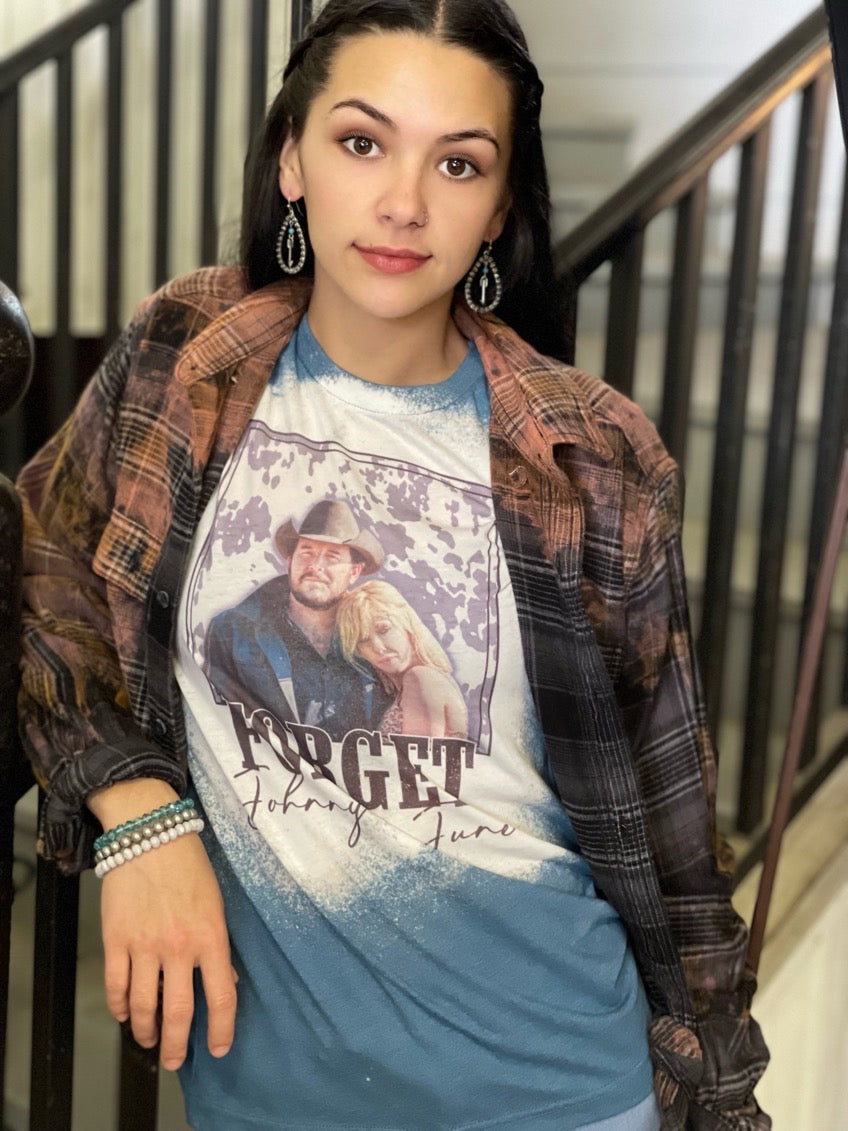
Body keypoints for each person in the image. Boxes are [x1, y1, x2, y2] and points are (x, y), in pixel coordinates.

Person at [16, 1, 770, 1128]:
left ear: (498, 206)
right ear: (292, 159)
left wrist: (721, 1090)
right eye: (362, 142)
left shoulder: (589, 453)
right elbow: (39, 559)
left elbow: (674, 826)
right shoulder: (189, 356)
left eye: (458, 163)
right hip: (268, 1093)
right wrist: (134, 800)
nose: (404, 202)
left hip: (559, 1083)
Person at [205, 498, 388, 746]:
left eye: (332, 557)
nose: (316, 566)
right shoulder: (234, 632)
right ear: (290, 561)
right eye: (307, 552)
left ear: (354, 572)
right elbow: (216, 722)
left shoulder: (378, 638)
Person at [337, 578, 468, 738]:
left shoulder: (420, 677)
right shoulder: (422, 680)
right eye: (363, 640)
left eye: (384, 630)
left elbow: (419, 753)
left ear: (407, 623)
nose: (378, 647)